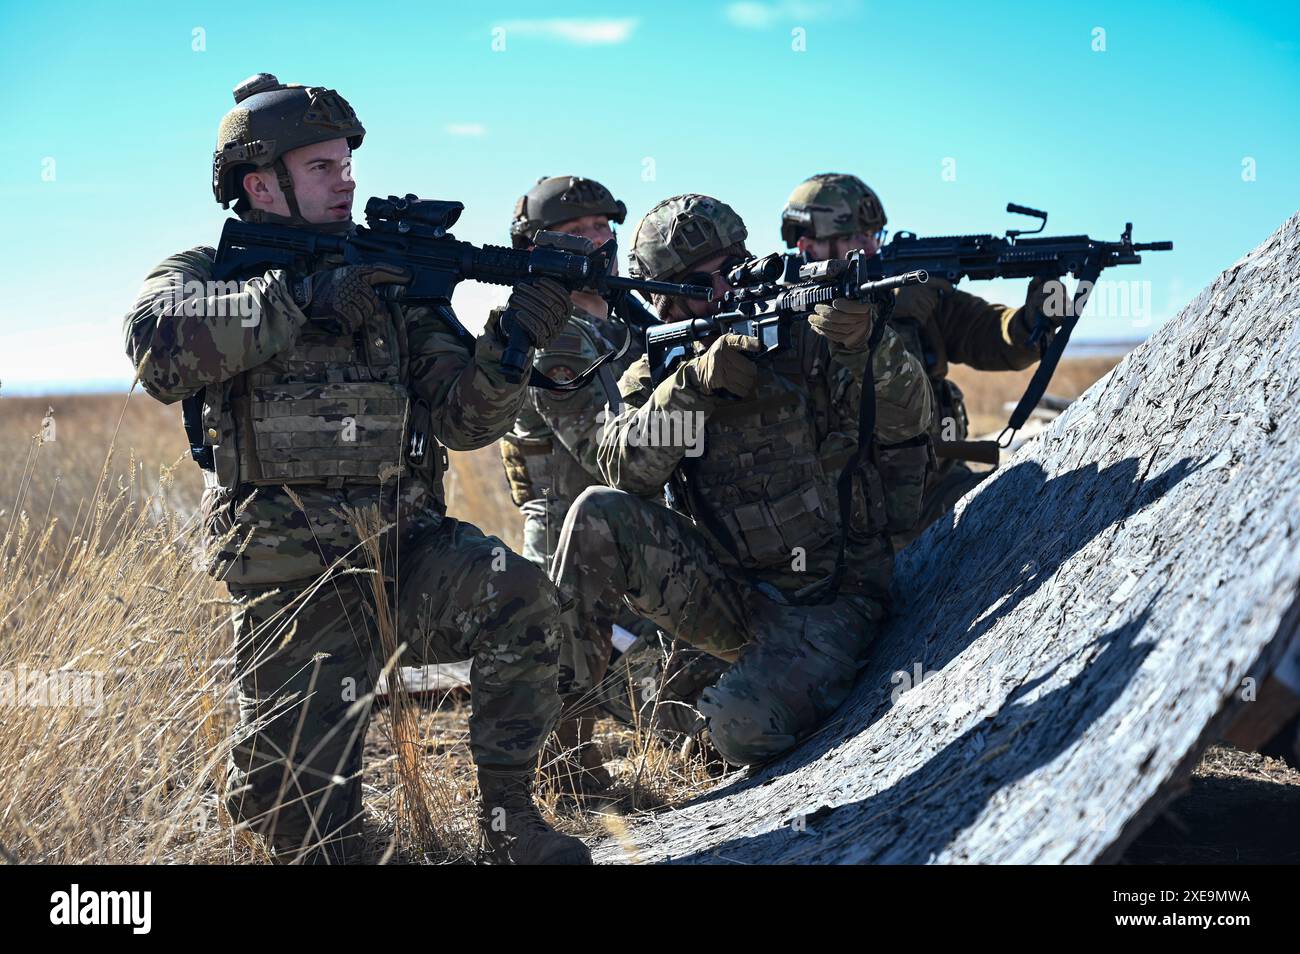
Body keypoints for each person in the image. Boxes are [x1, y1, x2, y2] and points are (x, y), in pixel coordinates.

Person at [123, 73, 588, 864]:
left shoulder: (390, 282)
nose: (346, 182)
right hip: (293, 584)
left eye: (347, 165)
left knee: (518, 594)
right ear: (259, 184)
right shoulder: (205, 269)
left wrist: (514, 342)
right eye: (322, 168)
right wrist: (301, 301)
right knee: (307, 834)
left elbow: (464, 420)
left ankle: (511, 824)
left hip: (408, 556)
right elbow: (157, 352)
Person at [549, 194, 934, 765]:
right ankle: (564, 758)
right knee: (596, 514)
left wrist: (864, 344)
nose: (727, 286)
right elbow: (626, 469)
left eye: (735, 266)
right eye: (701, 282)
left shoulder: (811, 338)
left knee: (738, 728)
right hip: (729, 595)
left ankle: (733, 709)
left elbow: (910, 421)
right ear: (665, 301)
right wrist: (695, 386)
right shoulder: (662, 370)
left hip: (831, 597)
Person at [782, 173, 1059, 542]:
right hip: (855, 523)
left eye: (874, 235)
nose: (870, 247)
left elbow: (993, 337)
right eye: (855, 238)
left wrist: (1032, 322)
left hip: (940, 490)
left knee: (1036, 509)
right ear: (808, 246)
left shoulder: (909, 294)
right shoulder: (783, 322)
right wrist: (890, 320)